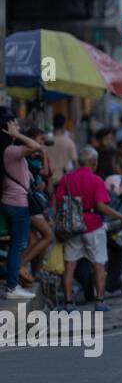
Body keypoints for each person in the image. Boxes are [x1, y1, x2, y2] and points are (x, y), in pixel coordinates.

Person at [54, 147, 122, 312]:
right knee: (98, 265)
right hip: (93, 226)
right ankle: (100, 301)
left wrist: (57, 222)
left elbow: (58, 203)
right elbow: (101, 206)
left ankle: (69, 303)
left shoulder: (66, 179)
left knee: (70, 265)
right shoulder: (96, 180)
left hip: (72, 227)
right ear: (94, 163)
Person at [0, 116, 44, 300]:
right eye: (15, 124)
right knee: (18, 246)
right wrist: (17, 134)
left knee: (16, 245)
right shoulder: (10, 150)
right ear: (7, 128)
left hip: (12, 201)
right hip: (17, 203)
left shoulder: (10, 150)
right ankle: (11, 286)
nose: (18, 127)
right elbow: (37, 147)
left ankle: (11, 282)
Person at [18, 124, 54, 288]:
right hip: (30, 205)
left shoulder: (31, 157)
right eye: (40, 140)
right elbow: (45, 172)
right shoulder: (28, 158)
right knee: (48, 235)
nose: (42, 143)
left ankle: (30, 272)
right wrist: (43, 153)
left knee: (35, 241)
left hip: (33, 204)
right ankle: (21, 265)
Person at [43, 113, 77, 187]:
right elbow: (75, 162)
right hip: (64, 179)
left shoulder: (47, 142)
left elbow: (43, 158)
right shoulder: (69, 142)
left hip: (49, 179)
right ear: (64, 125)